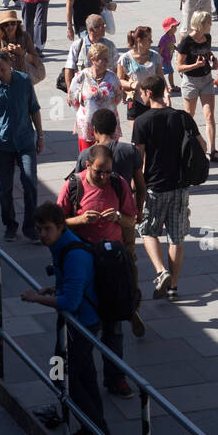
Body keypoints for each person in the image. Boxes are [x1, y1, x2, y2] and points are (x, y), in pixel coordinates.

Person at [20, 202, 111, 435]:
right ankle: (96, 427)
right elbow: (72, 286)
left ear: (61, 226)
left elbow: (70, 302)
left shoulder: (73, 254)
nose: (41, 235)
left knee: (64, 377)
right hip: (79, 324)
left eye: (47, 229)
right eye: (38, 229)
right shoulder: (63, 245)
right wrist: (53, 289)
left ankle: (94, 431)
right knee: (84, 376)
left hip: (81, 325)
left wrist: (37, 298)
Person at [57, 143, 137, 398]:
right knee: (84, 326)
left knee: (113, 326)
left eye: (108, 172)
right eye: (99, 172)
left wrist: (117, 219)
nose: (103, 177)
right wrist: (79, 221)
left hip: (111, 263)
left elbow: (131, 219)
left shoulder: (118, 184)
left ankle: (116, 379)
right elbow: (56, 223)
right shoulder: (73, 186)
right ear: (87, 165)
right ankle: (76, 381)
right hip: (83, 263)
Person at [75, 106, 147, 339]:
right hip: (124, 217)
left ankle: (97, 305)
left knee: (97, 264)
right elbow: (142, 186)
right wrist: (139, 211)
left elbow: (79, 184)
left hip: (96, 220)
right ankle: (132, 301)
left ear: (94, 131)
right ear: (116, 128)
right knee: (128, 260)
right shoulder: (129, 151)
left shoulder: (87, 157)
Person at [132, 76, 207, 300]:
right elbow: (202, 146)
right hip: (181, 185)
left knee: (147, 231)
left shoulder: (142, 122)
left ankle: (160, 271)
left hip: (154, 186)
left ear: (146, 93)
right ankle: (173, 287)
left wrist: (136, 190)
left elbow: (138, 160)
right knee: (176, 238)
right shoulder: (182, 117)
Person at [0, 50, 44, 243]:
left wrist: (40, 135)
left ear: (10, 66)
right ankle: (10, 225)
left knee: (30, 183)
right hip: (2, 144)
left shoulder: (24, 81)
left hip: (25, 141)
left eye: (2, 70)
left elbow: (34, 109)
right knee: (5, 187)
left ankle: (30, 227)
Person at [176, 11, 218, 162]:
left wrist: (213, 59)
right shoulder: (186, 42)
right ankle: (186, 148)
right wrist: (194, 65)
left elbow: (207, 52)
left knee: (209, 116)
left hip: (206, 80)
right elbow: (179, 67)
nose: (210, 25)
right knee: (188, 117)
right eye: (209, 22)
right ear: (201, 24)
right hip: (190, 82)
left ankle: (212, 150)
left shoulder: (207, 37)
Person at [68, 43, 123, 152]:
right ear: (93, 60)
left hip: (108, 124)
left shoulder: (112, 77)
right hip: (88, 124)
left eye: (108, 59)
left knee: (109, 156)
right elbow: (72, 98)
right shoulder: (81, 76)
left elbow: (118, 96)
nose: (107, 62)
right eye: (104, 59)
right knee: (87, 157)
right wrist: (85, 111)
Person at [117, 27, 166, 124]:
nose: (152, 41)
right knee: (139, 136)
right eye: (149, 38)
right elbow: (119, 80)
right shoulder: (125, 59)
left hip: (154, 100)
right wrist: (131, 85)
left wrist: (166, 94)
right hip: (135, 100)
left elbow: (161, 77)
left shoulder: (155, 56)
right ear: (139, 40)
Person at [0, 10, 43, 85]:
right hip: (4, 80)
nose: (10, 27)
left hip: (23, 78)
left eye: (13, 23)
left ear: (17, 25)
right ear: (2, 27)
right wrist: (3, 52)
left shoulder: (25, 36)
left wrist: (23, 53)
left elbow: (36, 60)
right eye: (6, 25)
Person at [63, 15, 117, 89]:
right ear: (91, 29)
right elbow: (69, 68)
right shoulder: (78, 46)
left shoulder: (110, 45)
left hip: (106, 91)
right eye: (101, 26)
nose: (104, 28)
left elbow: (117, 68)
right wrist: (70, 91)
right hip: (84, 91)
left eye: (104, 25)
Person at [157, 15, 179, 96]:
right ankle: (169, 86)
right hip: (163, 60)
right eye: (175, 27)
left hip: (168, 59)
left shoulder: (172, 36)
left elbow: (172, 45)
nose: (176, 28)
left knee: (166, 73)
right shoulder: (164, 39)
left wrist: (178, 49)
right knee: (165, 73)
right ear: (170, 28)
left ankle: (168, 86)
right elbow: (160, 50)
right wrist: (158, 60)